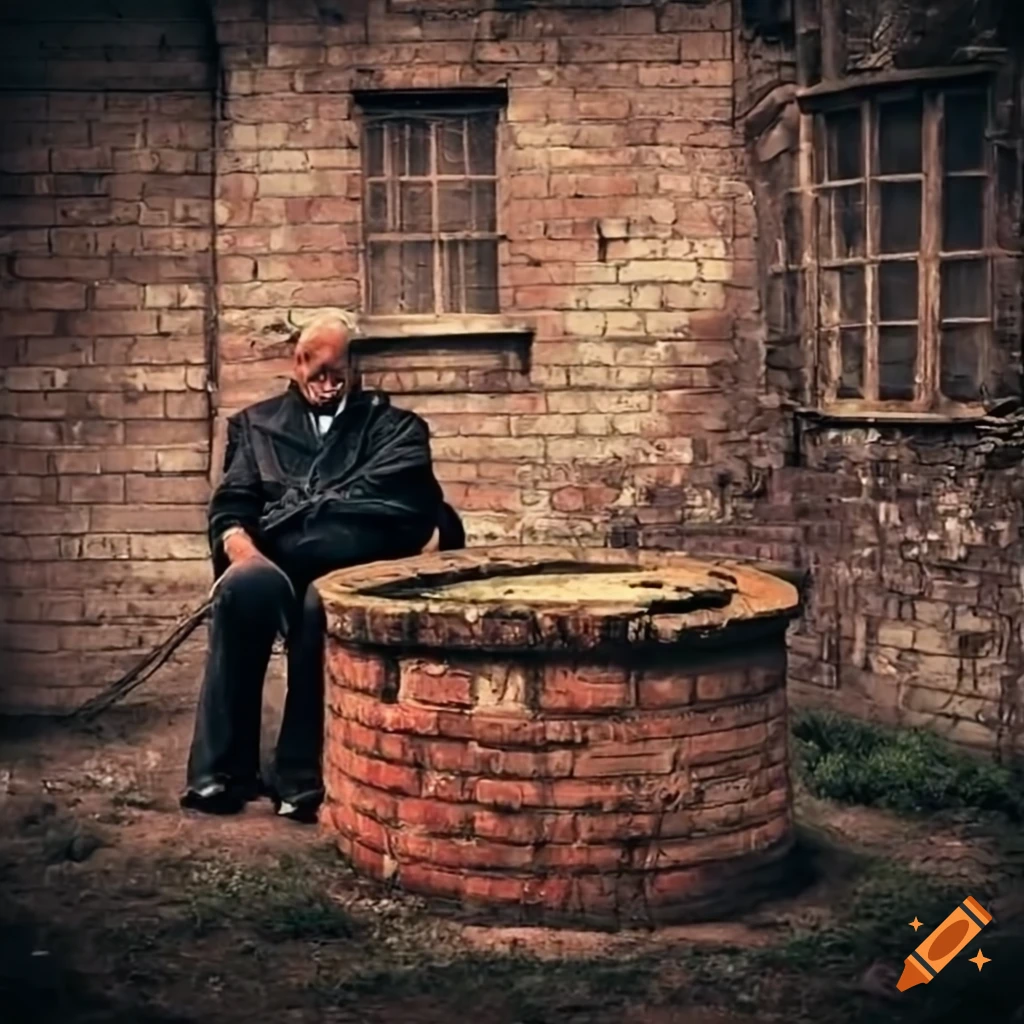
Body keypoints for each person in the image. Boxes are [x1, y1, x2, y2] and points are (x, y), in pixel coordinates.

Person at [181, 313, 449, 822]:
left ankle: (300, 778)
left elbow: (402, 506)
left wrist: (316, 512)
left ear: (354, 370)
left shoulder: (396, 429)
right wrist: (242, 546)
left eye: (337, 374)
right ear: (296, 362)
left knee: (317, 607)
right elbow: (234, 501)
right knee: (243, 589)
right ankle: (220, 772)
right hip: (274, 558)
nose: (326, 385)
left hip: (349, 564)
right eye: (316, 370)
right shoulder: (254, 424)